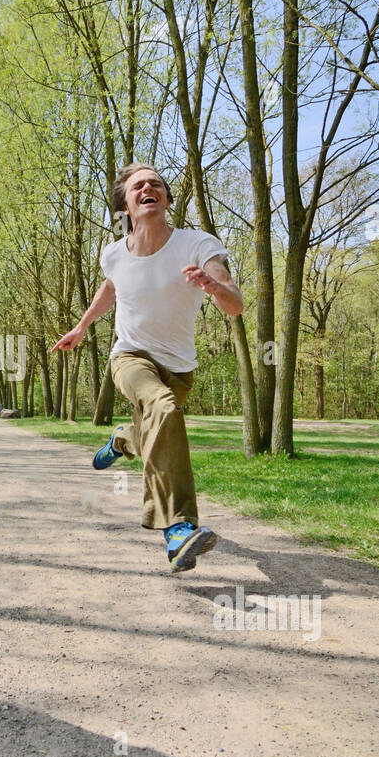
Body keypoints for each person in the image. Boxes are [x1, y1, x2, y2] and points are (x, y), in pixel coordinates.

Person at [53, 163, 243, 573]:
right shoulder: (114, 253)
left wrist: (214, 287)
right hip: (130, 357)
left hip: (179, 367)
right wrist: (82, 326)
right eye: (139, 185)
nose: (148, 188)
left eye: (156, 183)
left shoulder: (197, 244)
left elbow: (235, 302)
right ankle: (178, 528)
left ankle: (125, 440)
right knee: (162, 407)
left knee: (158, 426)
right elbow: (111, 287)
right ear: (126, 204)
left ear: (167, 199)